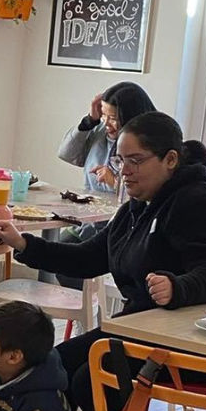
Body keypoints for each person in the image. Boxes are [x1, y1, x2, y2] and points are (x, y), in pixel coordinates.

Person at [0, 112, 206, 411]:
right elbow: (89, 258)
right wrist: (25, 245)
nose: (124, 171)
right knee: (57, 366)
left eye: (135, 161)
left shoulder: (197, 200)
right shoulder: (138, 206)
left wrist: (177, 287)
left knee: (87, 378)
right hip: (146, 326)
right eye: (119, 161)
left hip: (197, 338)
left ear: (170, 159)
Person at [49, 83, 155, 289]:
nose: (107, 123)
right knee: (59, 252)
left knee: (76, 260)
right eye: (104, 115)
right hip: (88, 223)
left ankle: (89, 310)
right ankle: (83, 310)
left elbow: (145, 199)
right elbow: (67, 154)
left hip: (120, 226)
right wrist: (90, 120)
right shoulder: (98, 132)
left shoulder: (145, 145)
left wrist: (115, 182)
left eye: (113, 118)